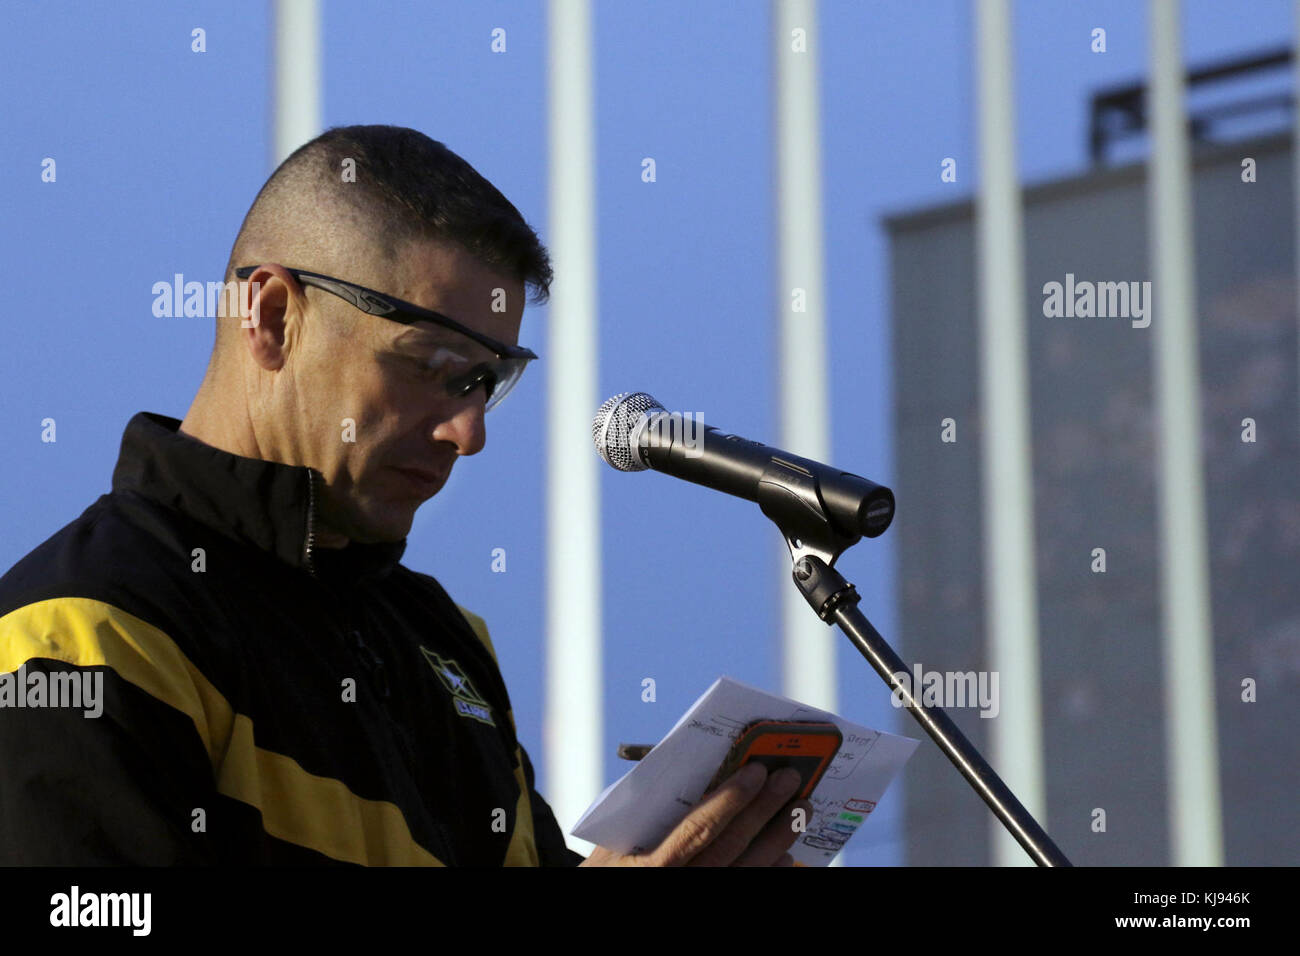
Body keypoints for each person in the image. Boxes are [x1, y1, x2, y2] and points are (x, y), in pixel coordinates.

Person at [0, 124, 809, 866]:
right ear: (274, 317)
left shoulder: (449, 645)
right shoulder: (80, 634)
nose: (469, 431)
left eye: (488, 383)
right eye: (432, 365)